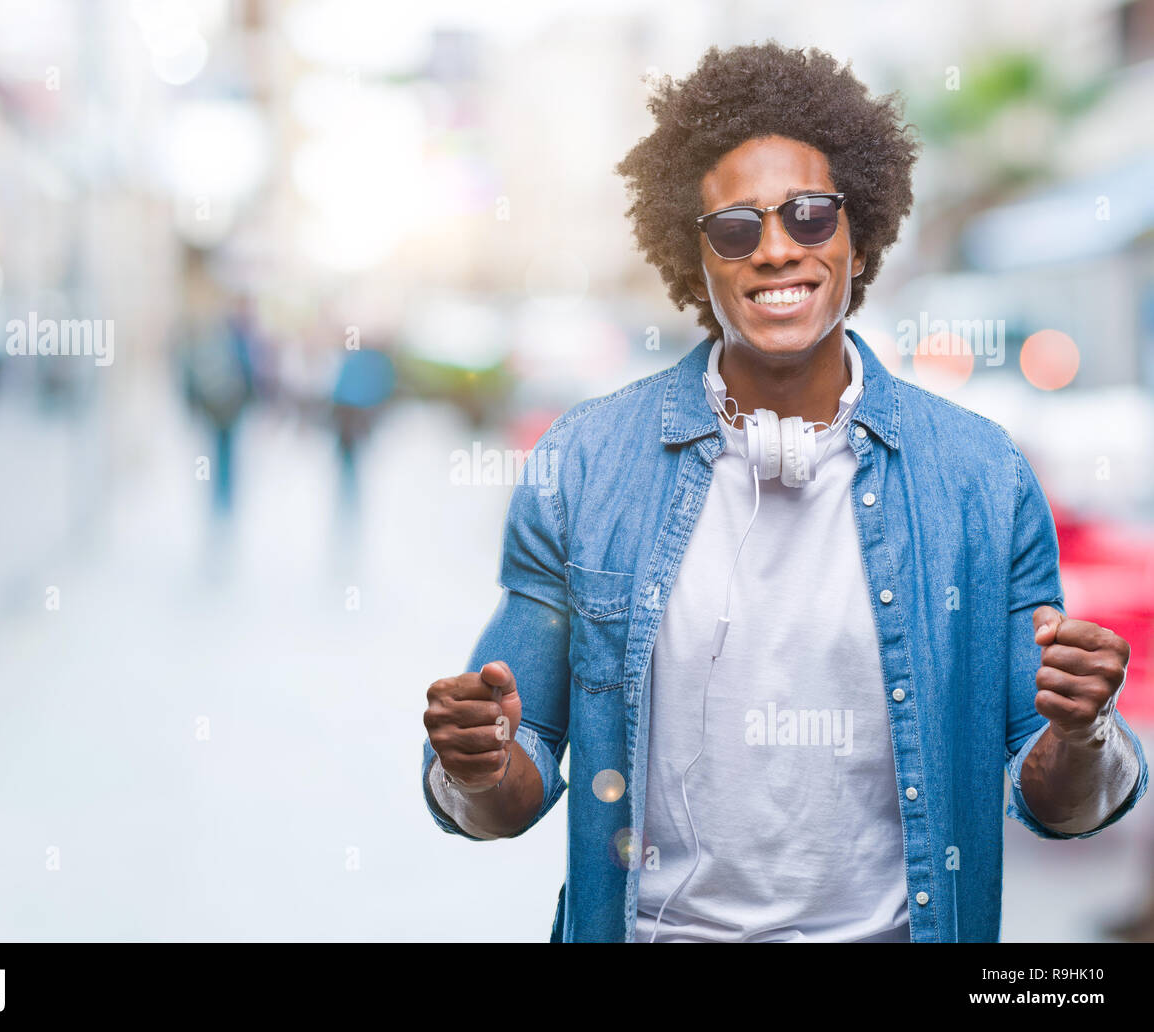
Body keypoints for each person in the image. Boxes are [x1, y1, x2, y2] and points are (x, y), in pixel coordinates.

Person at [419, 42, 1147, 943]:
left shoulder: (982, 478)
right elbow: (505, 789)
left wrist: (1084, 736)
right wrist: (477, 765)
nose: (774, 250)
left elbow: (1063, 806)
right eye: (735, 228)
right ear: (694, 257)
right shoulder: (584, 465)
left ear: (857, 237)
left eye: (809, 216)